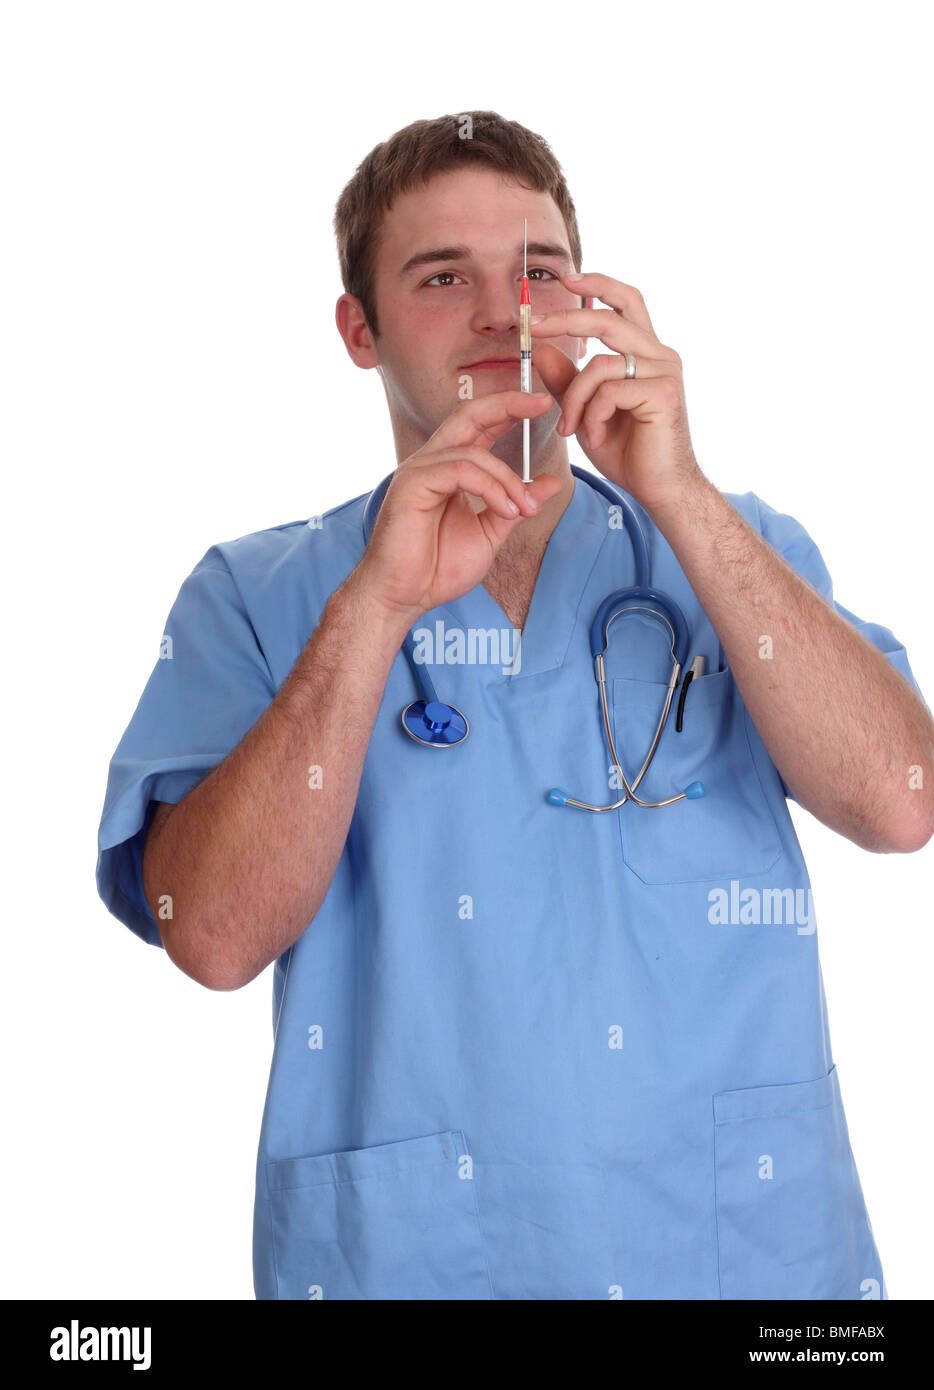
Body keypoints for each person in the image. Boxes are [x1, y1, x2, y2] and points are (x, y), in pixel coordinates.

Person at [96, 110, 934, 1301]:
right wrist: (376, 610)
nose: (505, 312)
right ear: (359, 329)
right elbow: (213, 935)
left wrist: (682, 496)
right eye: (444, 276)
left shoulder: (735, 550)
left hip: (738, 1258)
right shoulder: (258, 593)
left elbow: (903, 805)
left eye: (538, 271)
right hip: (415, 1262)